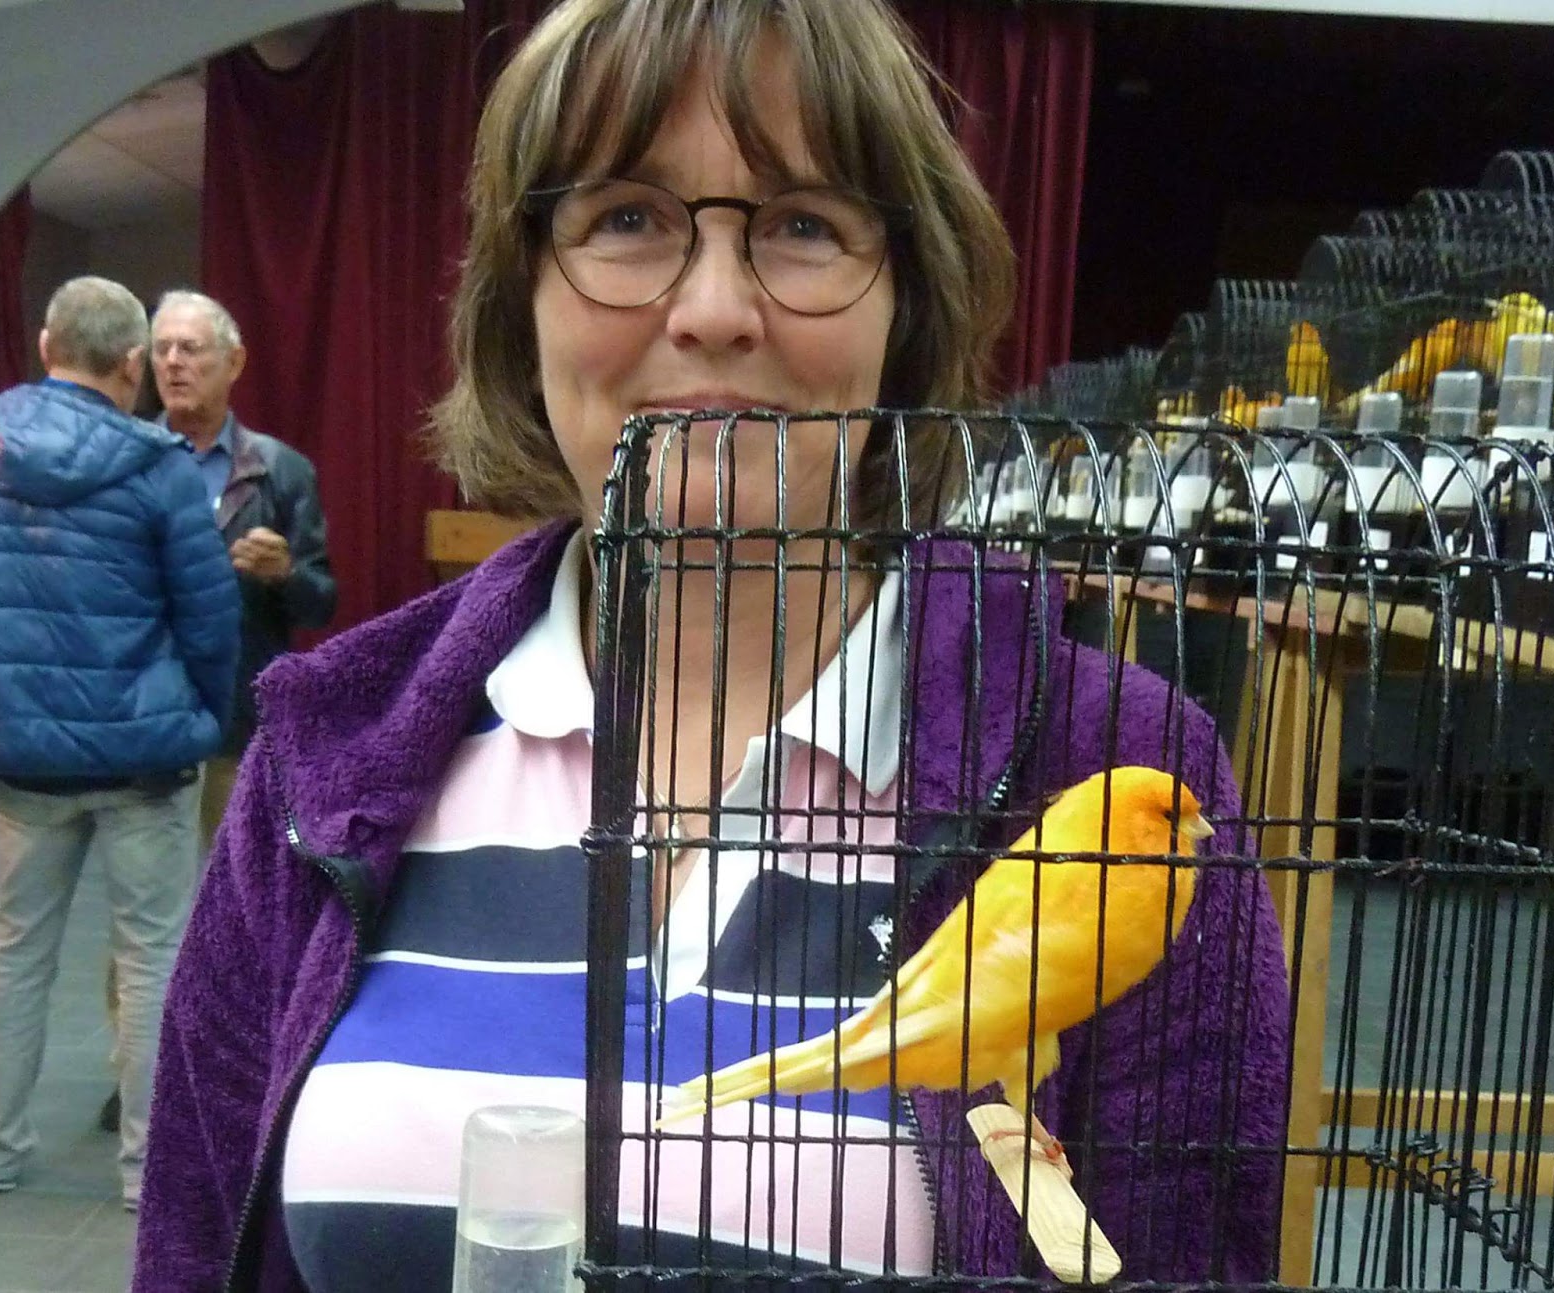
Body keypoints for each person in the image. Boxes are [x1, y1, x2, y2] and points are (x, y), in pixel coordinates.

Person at [134, 2, 1290, 1288]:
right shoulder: (334, 754)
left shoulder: (1116, 780)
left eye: (803, 225)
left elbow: (1189, 1253)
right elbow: (190, 1246)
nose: (715, 309)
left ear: (905, 304)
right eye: (626, 218)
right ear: (522, 296)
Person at [0, 275, 240, 1211]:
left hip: (18, 758)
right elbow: (210, 621)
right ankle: (145, 1170)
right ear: (132, 364)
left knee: (13, 949)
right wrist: (204, 719)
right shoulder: (158, 466)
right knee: (152, 957)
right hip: (143, 755)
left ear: (47, 340)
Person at [149, 289, 337, 844]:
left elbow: (322, 603)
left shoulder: (282, 469)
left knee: (233, 876)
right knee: (147, 903)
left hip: (238, 711)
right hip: (147, 708)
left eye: (190, 348)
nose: (173, 362)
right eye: (161, 349)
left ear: (233, 363)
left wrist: (285, 574)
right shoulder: (128, 461)